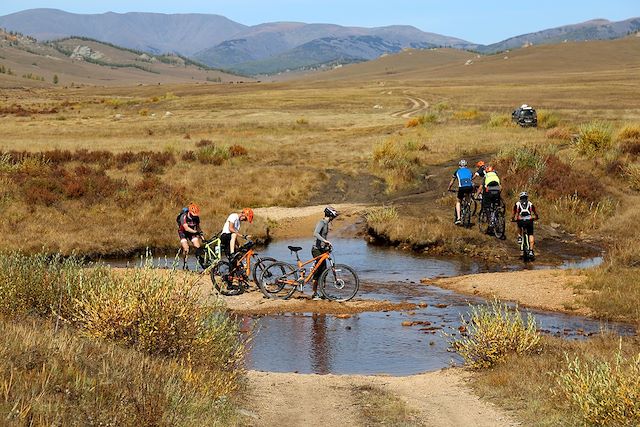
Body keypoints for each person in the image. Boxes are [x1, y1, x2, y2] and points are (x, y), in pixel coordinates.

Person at [311, 206, 338, 300]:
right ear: (330, 215)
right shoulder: (322, 222)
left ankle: (323, 293)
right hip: (316, 250)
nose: (333, 218)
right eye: (333, 216)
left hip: (321, 249)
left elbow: (323, 239)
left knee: (324, 271)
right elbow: (315, 233)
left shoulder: (326, 223)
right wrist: (325, 241)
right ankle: (314, 293)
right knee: (318, 271)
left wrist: (326, 246)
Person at [447, 159, 474, 225]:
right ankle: (468, 208)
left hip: (462, 187)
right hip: (470, 187)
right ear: (466, 166)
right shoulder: (469, 171)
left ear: (459, 166)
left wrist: (449, 188)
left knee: (458, 201)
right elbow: (470, 179)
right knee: (468, 197)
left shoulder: (457, 171)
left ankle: (458, 218)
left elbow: (452, 181)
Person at [177, 202, 202, 269]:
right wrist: (196, 232)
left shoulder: (197, 218)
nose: (194, 216)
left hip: (192, 232)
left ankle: (201, 263)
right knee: (186, 249)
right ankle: (185, 263)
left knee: (198, 247)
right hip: (183, 232)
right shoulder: (184, 217)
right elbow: (186, 228)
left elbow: (198, 227)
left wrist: (201, 235)